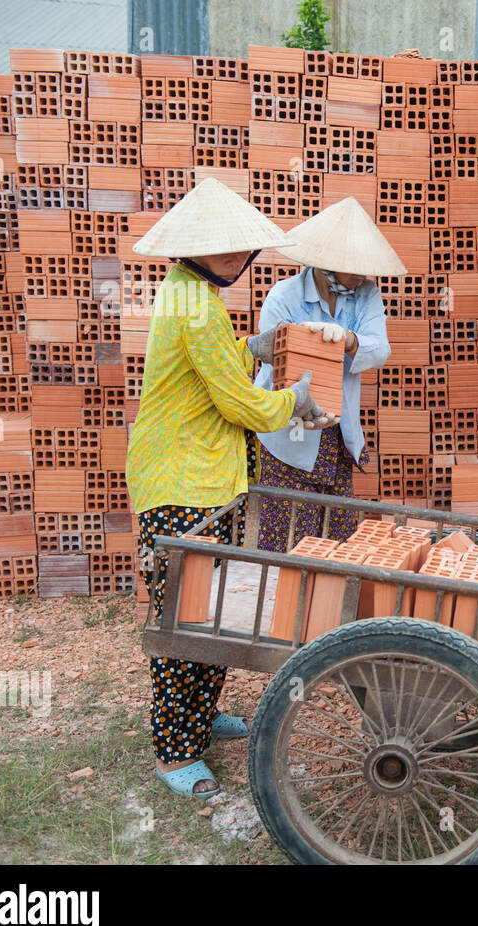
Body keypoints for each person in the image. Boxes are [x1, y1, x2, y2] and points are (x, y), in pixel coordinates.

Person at [125, 177, 338, 799]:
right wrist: (294, 402)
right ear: (189, 248)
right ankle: (174, 749)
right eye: (220, 248)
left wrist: (251, 346)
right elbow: (238, 401)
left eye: (239, 248)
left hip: (208, 479)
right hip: (179, 483)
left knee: (213, 611)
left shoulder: (196, 299)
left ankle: (198, 717)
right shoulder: (194, 306)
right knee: (182, 621)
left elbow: (213, 365)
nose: (234, 259)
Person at [250, 196, 407, 552]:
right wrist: (316, 346)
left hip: (337, 429)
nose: (360, 275)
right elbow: (278, 361)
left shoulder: (366, 294)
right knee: (289, 532)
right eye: (351, 267)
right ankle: (284, 601)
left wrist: (350, 341)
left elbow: (379, 348)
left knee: (335, 531)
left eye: (364, 267)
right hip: (289, 432)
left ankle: (329, 604)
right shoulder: (284, 296)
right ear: (325, 265)